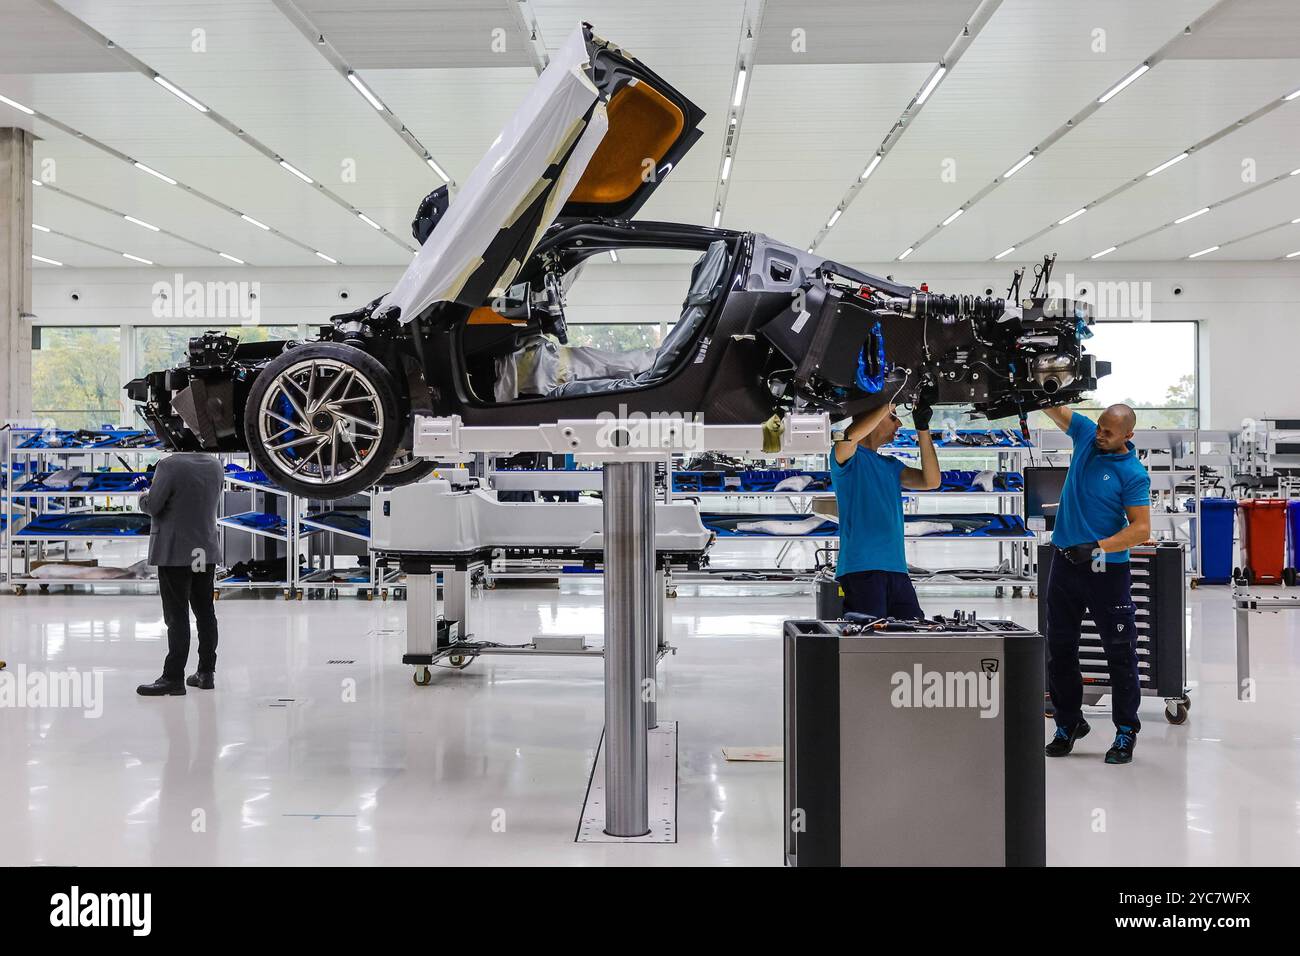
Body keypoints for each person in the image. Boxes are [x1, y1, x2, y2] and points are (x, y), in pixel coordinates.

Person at [1041, 403, 1152, 765]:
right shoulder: (1087, 436)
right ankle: (1068, 723)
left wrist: (1096, 547)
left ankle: (1125, 731)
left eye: (1109, 432)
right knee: (1060, 649)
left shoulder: (1133, 473)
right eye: (1100, 427)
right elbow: (1053, 407)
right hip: (1065, 563)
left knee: (1119, 654)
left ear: (1128, 436)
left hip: (1106, 569)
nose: (1100, 435)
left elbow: (1141, 529)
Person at [830, 393, 941, 619]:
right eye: (893, 417)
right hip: (861, 570)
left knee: (912, 636)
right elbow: (848, 439)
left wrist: (923, 429)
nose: (899, 423)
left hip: (897, 569)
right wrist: (886, 403)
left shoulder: (891, 465)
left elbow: (932, 481)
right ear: (875, 418)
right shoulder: (846, 457)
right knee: (869, 642)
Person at [136, 452, 225, 696]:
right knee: (205, 611)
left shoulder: (169, 465)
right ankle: (206, 672)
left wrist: (143, 495)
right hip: (203, 550)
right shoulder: (215, 464)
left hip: (175, 551)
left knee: (177, 615)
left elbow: (154, 506)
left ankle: (173, 677)